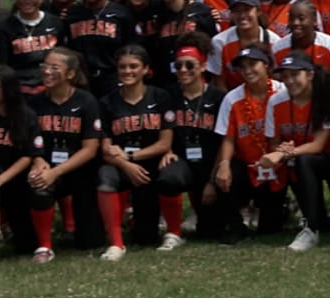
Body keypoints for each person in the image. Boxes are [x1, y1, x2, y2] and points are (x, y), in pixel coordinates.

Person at [95, 45, 188, 259]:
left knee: (171, 177)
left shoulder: (160, 97)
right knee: (105, 176)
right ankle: (116, 243)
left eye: (133, 66)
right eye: (122, 67)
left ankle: (174, 233)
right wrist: (126, 164)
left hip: (152, 163)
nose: (127, 71)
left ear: (145, 69)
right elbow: (106, 151)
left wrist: (130, 157)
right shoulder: (106, 102)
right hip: (122, 166)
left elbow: (164, 144)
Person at [25, 48, 103, 258]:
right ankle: (44, 246)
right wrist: (38, 162)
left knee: (90, 241)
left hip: (79, 170)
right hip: (47, 167)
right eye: (44, 66)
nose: (46, 71)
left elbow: (90, 149)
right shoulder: (34, 103)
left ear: (70, 73)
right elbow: (30, 142)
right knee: (39, 187)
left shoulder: (87, 101)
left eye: (54, 68)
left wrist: (56, 172)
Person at [266, 52, 330, 252]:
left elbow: (319, 145)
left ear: (310, 74)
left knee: (303, 161)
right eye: (285, 76)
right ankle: (315, 220)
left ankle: (311, 229)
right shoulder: (276, 101)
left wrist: (286, 153)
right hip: (298, 159)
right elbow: (274, 142)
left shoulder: (325, 97)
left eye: (295, 75)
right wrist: (283, 150)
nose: (289, 81)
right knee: (297, 162)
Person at [212, 45, 287, 241]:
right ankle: (236, 226)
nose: (247, 70)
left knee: (270, 230)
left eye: (253, 64)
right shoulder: (232, 98)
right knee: (225, 175)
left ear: (266, 65)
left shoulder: (282, 92)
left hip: (277, 165)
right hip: (247, 165)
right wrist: (224, 164)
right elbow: (228, 137)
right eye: (243, 67)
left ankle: (286, 209)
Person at [166, 33, 226, 242]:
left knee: (210, 232)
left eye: (190, 65)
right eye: (178, 65)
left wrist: (212, 181)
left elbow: (224, 141)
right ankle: (172, 229)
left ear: (203, 66)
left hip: (209, 164)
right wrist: (167, 151)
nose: (183, 70)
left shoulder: (218, 97)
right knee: (168, 177)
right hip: (181, 160)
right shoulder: (168, 96)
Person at [0, 65, 41, 270]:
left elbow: (28, 155)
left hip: (15, 181)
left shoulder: (25, 116)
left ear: (8, 90)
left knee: (25, 245)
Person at [65, 0, 135, 98]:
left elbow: (130, 47)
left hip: (112, 78)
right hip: (82, 79)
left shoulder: (121, 13)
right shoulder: (72, 14)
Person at [0, 0, 64, 94]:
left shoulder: (55, 23)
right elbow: (0, 67)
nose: (27, 0)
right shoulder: (4, 28)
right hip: (19, 91)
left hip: (51, 87)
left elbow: (63, 59)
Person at [150, 0, 219, 89]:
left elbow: (213, 49)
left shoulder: (201, 11)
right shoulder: (155, 14)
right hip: (166, 84)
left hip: (198, 83)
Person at [208, 0, 274, 90]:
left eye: (247, 10)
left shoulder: (274, 42)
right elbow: (219, 81)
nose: (242, 15)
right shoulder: (219, 42)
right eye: (237, 11)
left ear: (258, 11)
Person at [272, 1, 330, 80]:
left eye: (301, 19)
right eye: (291, 19)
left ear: (314, 20)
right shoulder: (278, 48)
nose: (295, 23)